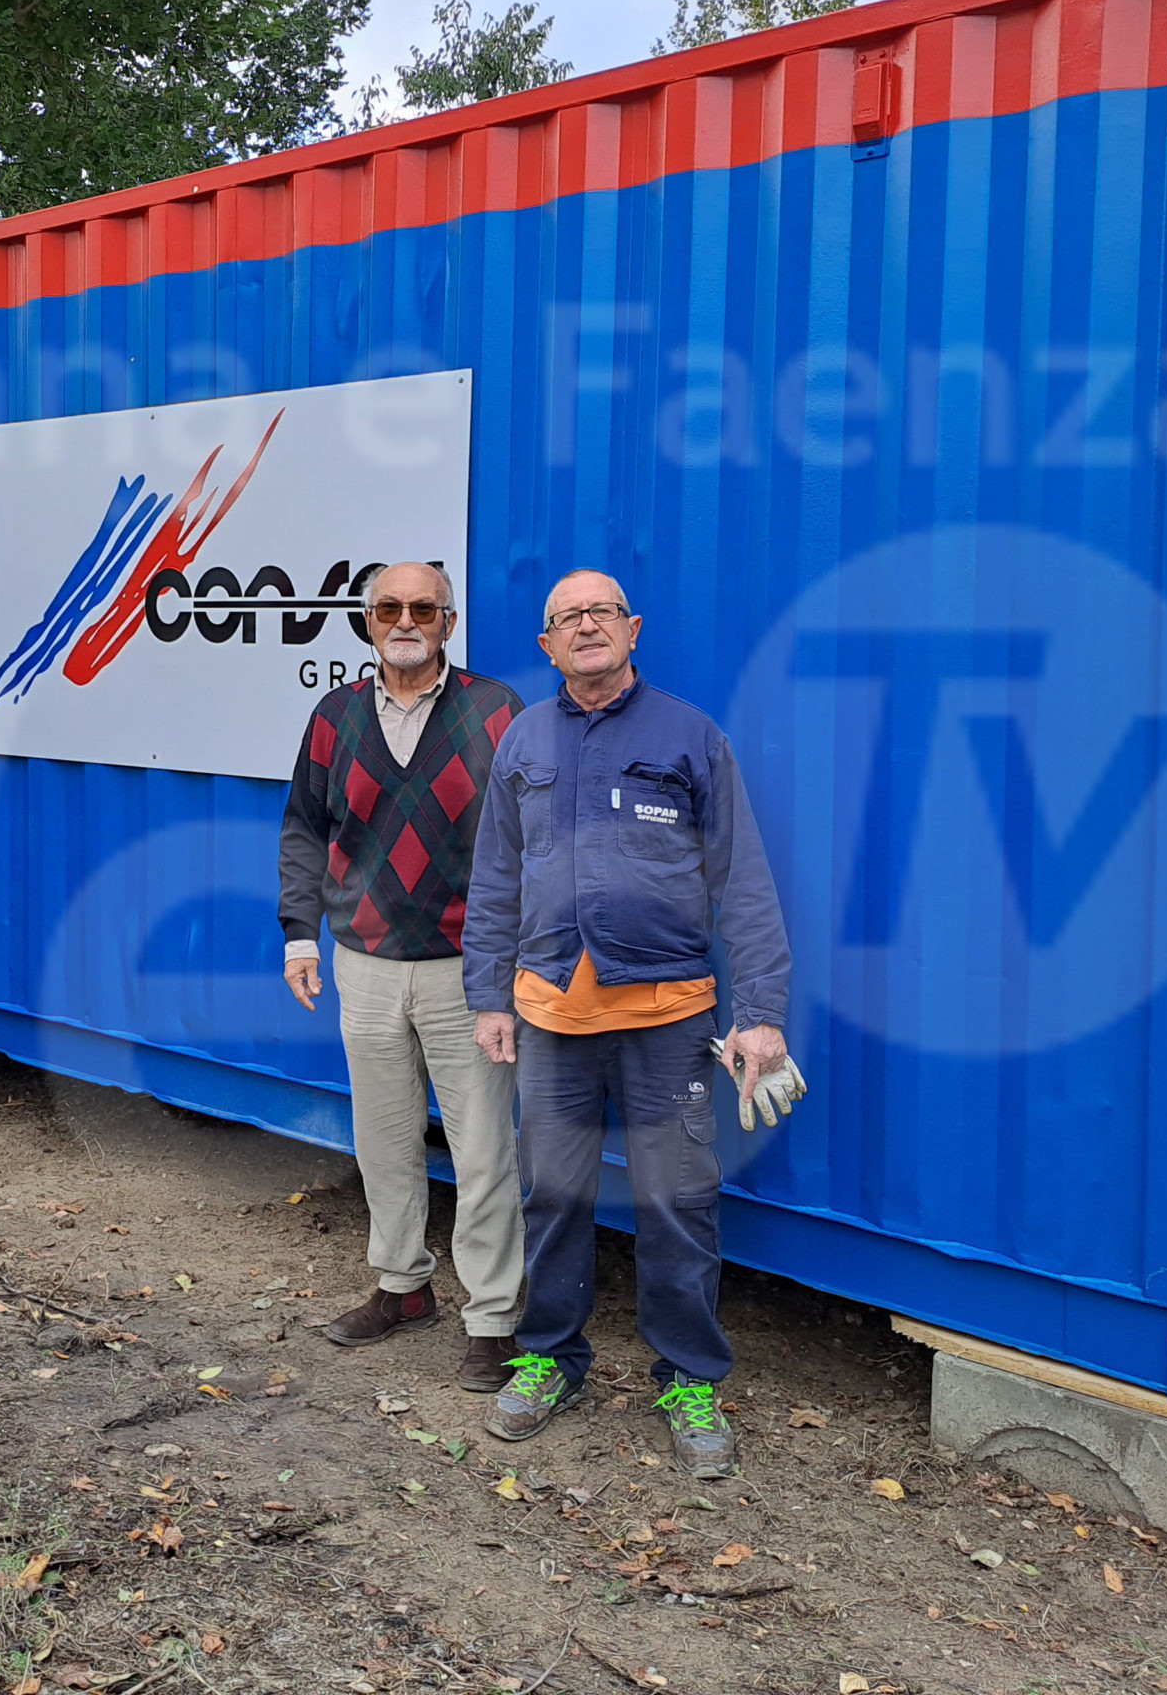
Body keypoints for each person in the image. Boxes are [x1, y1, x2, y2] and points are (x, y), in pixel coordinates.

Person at [461, 568, 799, 1478]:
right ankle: (546, 1361)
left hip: (667, 1018)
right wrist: (489, 995)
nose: (586, 628)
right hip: (550, 1020)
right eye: (567, 618)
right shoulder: (523, 740)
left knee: (677, 1204)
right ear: (547, 645)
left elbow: (745, 883)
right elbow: (495, 877)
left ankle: (688, 1379)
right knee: (555, 1200)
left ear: (633, 629)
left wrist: (762, 1012)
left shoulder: (690, 736)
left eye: (601, 612)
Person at [278, 562, 530, 1391]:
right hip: (365, 963)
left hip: (470, 971)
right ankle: (401, 1286)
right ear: (367, 621)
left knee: (483, 1150)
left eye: (424, 606)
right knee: (383, 1141)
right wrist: (298, 936)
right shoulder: (334, 716)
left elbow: (533, 841)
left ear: (449, 622)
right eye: (388, 607)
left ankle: (492, 1319)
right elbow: (305, 833)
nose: (405, 619)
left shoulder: (497, 712)